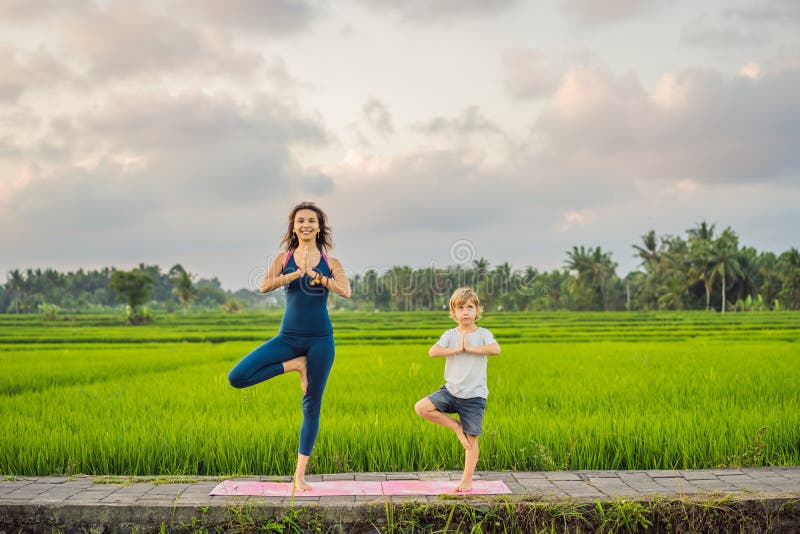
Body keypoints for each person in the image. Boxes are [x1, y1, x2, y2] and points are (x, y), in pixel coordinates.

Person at [228, 201, 351, 491]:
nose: (306, 224)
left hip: (321, 340)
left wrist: (318, 276)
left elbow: (345, 291)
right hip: (288, 337)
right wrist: (297, 273)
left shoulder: (331, 262)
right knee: (237, 377)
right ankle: (295, 365)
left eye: (311, 220)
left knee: (311, 405)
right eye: (300, 221)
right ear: (293, 227)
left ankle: (299, 475)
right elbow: (263, 285)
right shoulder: (284, 258)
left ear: (319, 227)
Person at [414, 287, 501, 493]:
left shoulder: (483, 334)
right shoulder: (450, 335)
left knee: (471, 440)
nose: (465, 311)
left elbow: (496, 349)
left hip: (474, 396)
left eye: (470, 307)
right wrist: (457, 349)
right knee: (422, 407)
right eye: (460, 308)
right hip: (451, 391)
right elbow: (433, 352)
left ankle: (467, 480)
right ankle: (455, 427)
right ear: (454, 313)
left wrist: (470, 348)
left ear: (477, 311)